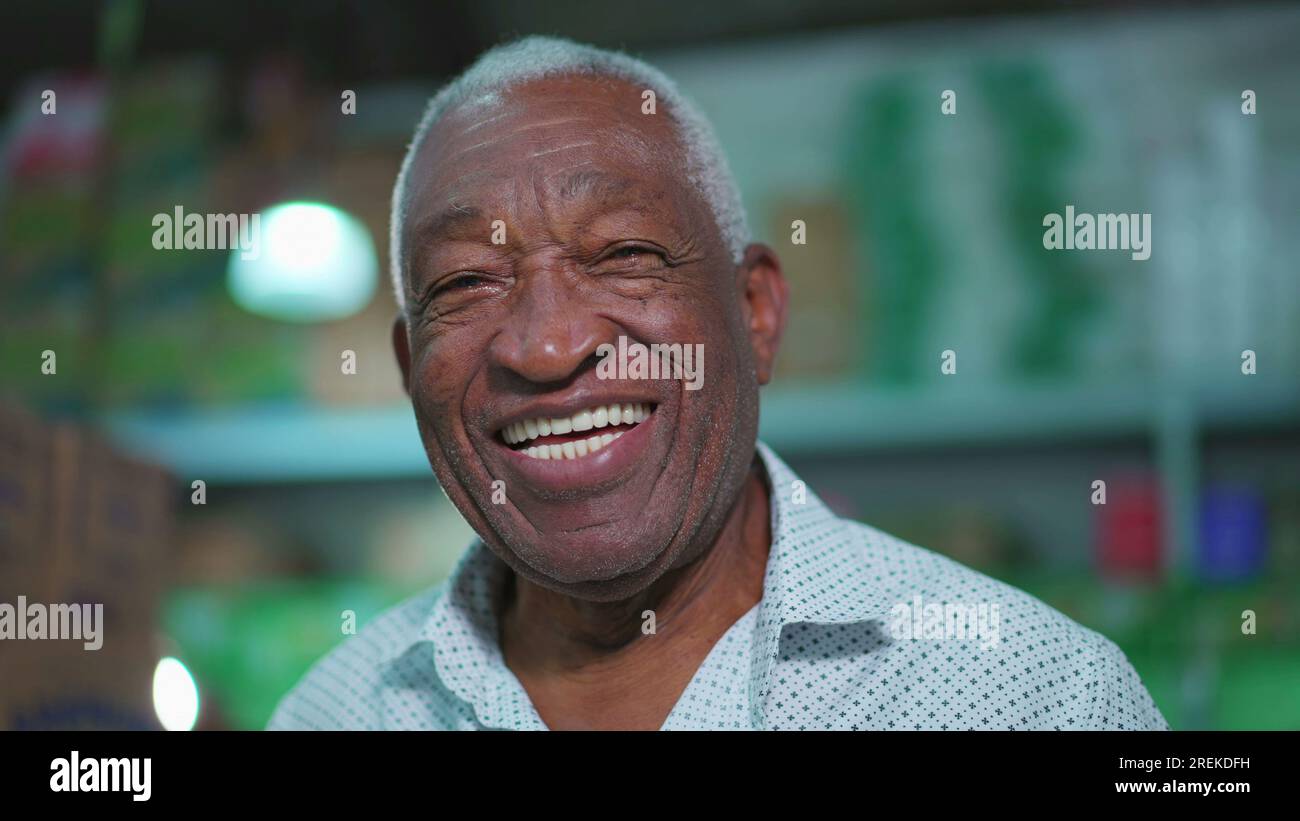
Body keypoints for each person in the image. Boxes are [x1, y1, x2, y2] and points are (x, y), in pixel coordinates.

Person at [269, 36, 1167, 731]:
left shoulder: (1033, 698)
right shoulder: (340, 711)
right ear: (406, 368)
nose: (546, 346)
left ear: (756, 313)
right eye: (466, 282)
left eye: (624, 255)